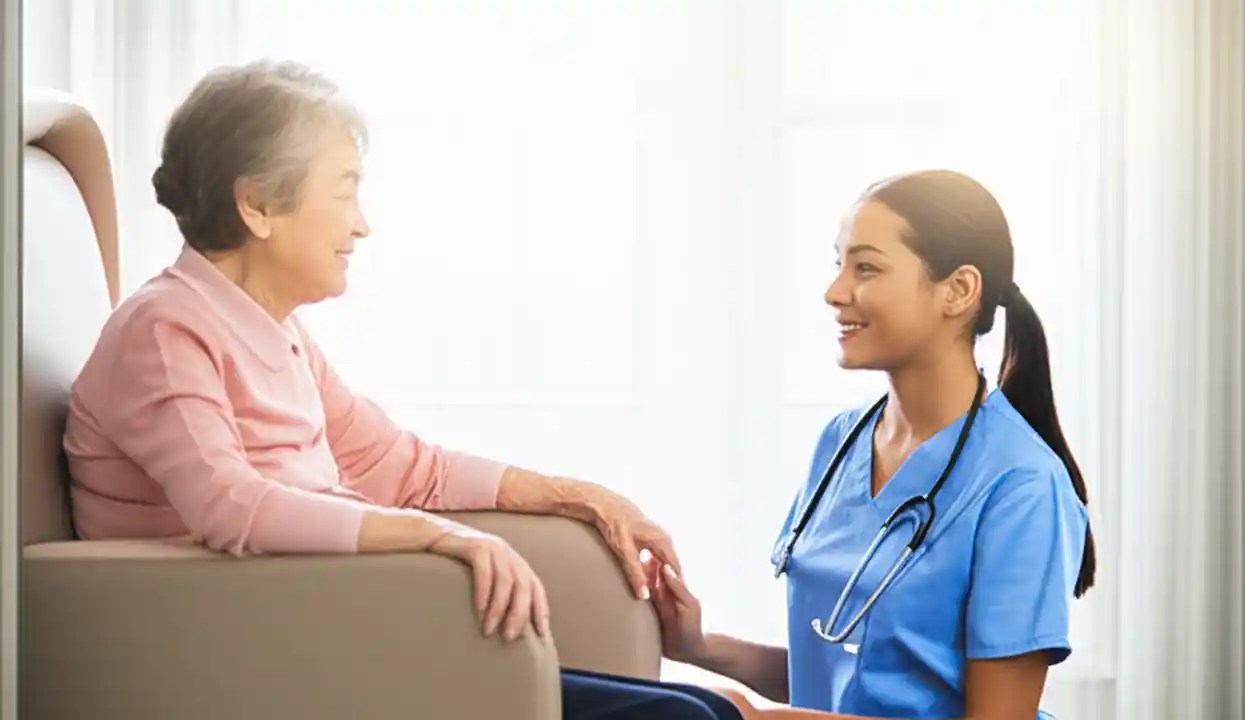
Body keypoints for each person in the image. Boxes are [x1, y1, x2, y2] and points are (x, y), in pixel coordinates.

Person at [62, 60, 682, 652]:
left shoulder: (277, 333)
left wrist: (580, 496)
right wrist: (431, 534)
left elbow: (408, 469)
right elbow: (230, 506)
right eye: (344, 193)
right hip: (232, 648)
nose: (361, 226)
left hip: (323, 627)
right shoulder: (163, 330)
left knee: (691, 711)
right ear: (257, 206)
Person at [622, 169, 1095, 720]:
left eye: (866, 268)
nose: (834, 292)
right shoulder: (841, 442)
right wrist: (700, 648)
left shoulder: (1021, 485)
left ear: (958, 290)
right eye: (839, 264)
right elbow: (843, 673)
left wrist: (754, 719)